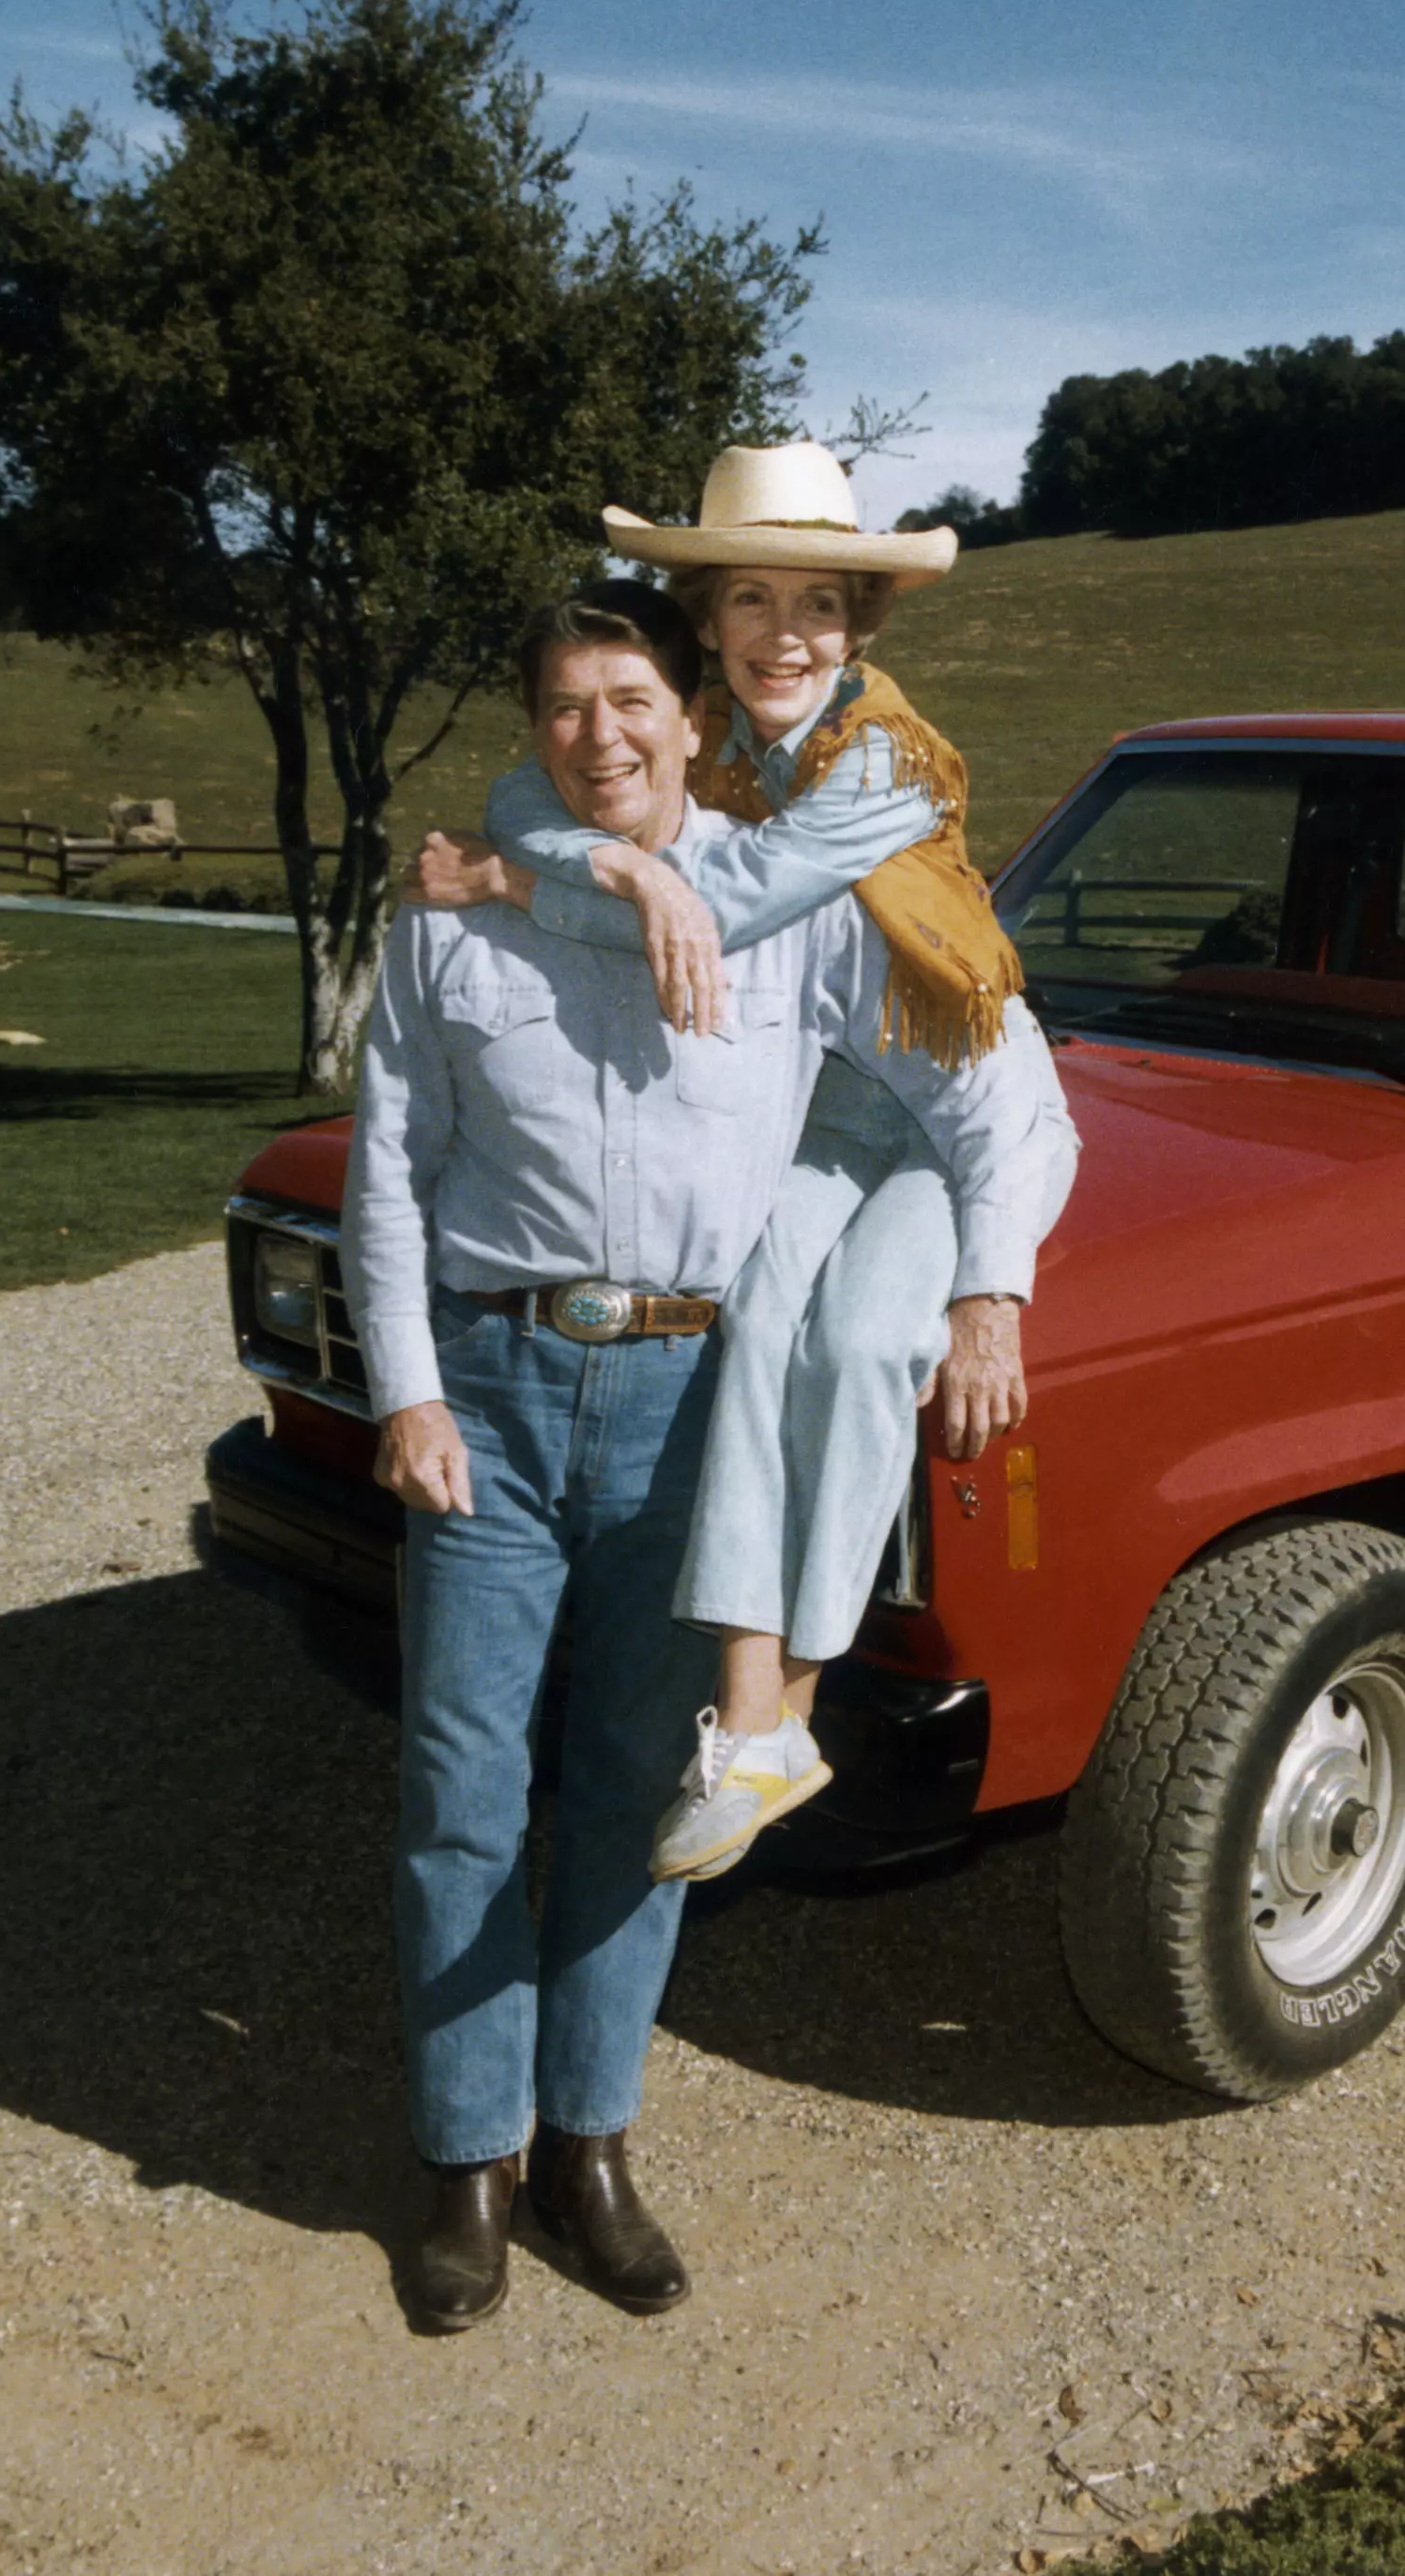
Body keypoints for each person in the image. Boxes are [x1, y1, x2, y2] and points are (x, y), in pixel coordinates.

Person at [346, 578, 1059, 2333]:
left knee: (636, 1801)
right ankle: (465, 2167)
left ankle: (589, 2148)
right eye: (569, 707)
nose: (604, 734)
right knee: (459, 1794)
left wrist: (987, 1287)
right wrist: (408, 1393)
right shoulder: (451, 918)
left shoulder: (802, 916)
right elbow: (386, 1169)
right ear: (538, 735)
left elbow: (987, 1098)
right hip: (495, 1406)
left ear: (691, 720)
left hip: (686, 1415)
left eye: (634, 700)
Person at [413, 440, 1074, 1883]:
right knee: (750, 1318)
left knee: (849, 1345)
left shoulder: (889, 761)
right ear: (704, 622)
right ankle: (748, 1712)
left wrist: (991, 1293)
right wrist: (625, 864)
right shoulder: (706, 733)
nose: (790, 635)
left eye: (822, 605)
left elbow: (735, 895)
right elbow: (535, 789)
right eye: (754, 601)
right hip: (835, 1105)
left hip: (967, 1106)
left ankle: (806, 1705)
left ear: (862, 624)